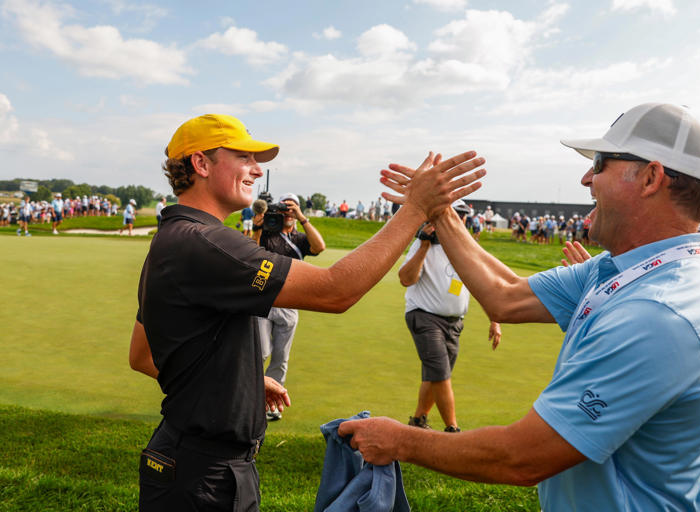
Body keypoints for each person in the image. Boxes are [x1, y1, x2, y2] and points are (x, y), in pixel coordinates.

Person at [339, 103, 700, 511]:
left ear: (652, 177)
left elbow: (522, 456)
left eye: (600, 163)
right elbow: (506, 295)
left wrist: (398, 439)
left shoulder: (662, 312)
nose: (586, 177)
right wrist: (439, 208)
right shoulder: (625, 268)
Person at [127, 113, 486, 511]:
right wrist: (416, 207)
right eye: (243, 156)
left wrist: (238, 381)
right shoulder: (206, 243)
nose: (256, 168)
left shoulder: (174, 237)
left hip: (189, 464)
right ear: (201, 163)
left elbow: (143, 355)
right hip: (202, 476)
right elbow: (336, 291)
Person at [400, 199, 501, 433]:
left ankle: (417, 421)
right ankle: (452, 430)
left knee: (435, 375)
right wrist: (424, 244)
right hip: (424, 316)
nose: (460, 220)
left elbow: (480, 286)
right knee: (440, 372)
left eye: (463, 216)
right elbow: (406, 278)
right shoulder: (423, 244)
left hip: (454, 323)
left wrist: (494, 319)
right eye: (454, 215)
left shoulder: (466, 249)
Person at [256, 192, 326, 421]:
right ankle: (251, 397)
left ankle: (270, 404)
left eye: (291, 208)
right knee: (261, 351)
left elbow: (320, 247)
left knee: (280, 358)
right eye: (284, 208)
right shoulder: (268, 232)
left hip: (290, 304)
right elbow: (250, 253)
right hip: (264, 301)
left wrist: (302, 217)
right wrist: (258, 227)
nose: (287, 213)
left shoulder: (299, 238)